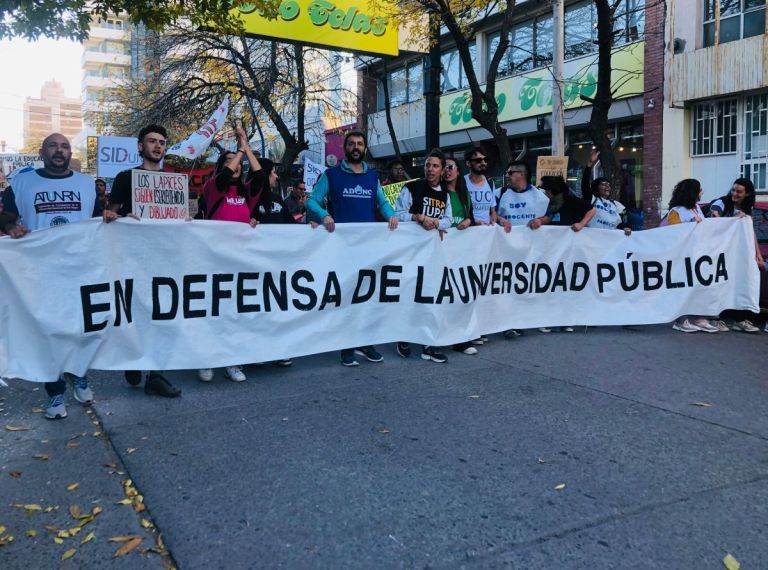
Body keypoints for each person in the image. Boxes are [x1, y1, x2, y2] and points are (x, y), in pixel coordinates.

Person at [0, 133, 98, 419]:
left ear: (70, 153)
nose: (59, 151)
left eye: (65, 146)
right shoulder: (21, 183)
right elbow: (5, 216)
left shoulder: (86, 184)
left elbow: (97, 221)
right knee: (46, 333)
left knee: (80, 328)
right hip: (39, 272)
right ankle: (55, 394)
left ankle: (79, 374)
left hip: (79, 269)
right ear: (41, 152)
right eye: (53, 146)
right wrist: (10, 227)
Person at [306, 129, 399, 367]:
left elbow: (382, 202)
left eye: (360, 144)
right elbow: (311, 200)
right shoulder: (332, 175)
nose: (356, 147)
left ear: (365, 149)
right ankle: (346, 346)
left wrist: (391, 216)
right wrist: (325, 215)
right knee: (345, 296)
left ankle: (365, 342)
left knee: (366, 295)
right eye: (351, 144)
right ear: (345, 149)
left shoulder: (372, 177)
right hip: (341, 248)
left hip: (368, 248)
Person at [104, 124, 183, 397]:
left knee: (163, 312)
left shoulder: (174, 182)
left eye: (162, 142)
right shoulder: (126, 178)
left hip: (164, 258)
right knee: (137, 311)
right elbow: (109, 216)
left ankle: (156, 374)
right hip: (134, 257)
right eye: (152, 141)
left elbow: (180, 217)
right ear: (140, 146)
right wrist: (121, 218)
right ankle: (134, 356)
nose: (158, 146)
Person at [197, 126, 263, 383]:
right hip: (214, 258)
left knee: (233, 312)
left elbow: (259, 177)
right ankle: (207, 358)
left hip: (239, 260)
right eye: (229, 161)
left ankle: (231, 360)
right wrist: (238, 149)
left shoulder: (246, 192)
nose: (235, 164)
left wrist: (245, 146)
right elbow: (225, 176)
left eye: (238, 161)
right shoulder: (214, 187)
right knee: (212, 310)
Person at [394, 148, 452, 363]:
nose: (430, 169)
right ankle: (404, 336)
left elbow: (449, 220)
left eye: (435, 165)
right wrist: (418, 217)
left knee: (430, 296)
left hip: (432, 255)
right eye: (427, 165)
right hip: (409, 252)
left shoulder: (445, 193)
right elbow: (397, 214)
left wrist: (435, 222)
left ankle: (429, 343)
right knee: (409, 295)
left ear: (443, 169)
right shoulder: (412, 188)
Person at [491, 161, 550, 338]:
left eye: (511, 173)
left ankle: (533, 319)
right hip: (506, 249)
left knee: (530, 284)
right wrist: (501, 220)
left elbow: (552, 215)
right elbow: (489, 212)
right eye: (507, 172)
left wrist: (541, 221)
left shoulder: (541, 196)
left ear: (522, 174)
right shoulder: (499, 193)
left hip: (531, 250)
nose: (507, 176)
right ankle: (509, 323)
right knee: (507, 286)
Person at [538, 175, 597, 333]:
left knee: (566, 285)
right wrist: (540, 221)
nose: (543, 193)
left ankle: (566, 320)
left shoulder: (571, 201)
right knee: (550, 284)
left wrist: (581, 224)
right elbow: (550, 218)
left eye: (544, 189)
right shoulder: (551, 204)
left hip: (569, 251)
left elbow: (592, 210)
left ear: (551, 191)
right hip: (552, 249)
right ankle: (548, 319)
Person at [662, 179, 720, 333]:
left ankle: (699, 318)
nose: (702, 192)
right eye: (700, 189)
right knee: (683, 288)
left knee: (699, 287)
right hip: (682, 257)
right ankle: (681, 320)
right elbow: (674, 233)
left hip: (697, 255)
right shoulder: (676, 211)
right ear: (692, 192)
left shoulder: (696, 209)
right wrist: (689, 225)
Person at [707, 177, 764, 333]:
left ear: (747, 194)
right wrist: (732, 220)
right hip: (717, 254)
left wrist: (758, 254)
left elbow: (750, 232)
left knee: (740, 284)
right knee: (719, 284)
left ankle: (740, 319)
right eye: (733, 190)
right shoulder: (721, 202)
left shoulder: (747, 209)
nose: (735, 194)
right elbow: (715, 217)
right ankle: (715, 318)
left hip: (735, 255)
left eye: (739, 191)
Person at [443, 156, 481, 355]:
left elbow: (470, 217)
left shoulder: (463, 195)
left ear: (458, 171)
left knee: (459, 294)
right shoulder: (438, 193)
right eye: (445, 167)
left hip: (459, 254)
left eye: (451, 167)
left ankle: (460, 338)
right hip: (440, 252)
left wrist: (468, 221)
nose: (447, 171)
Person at [581, 150, 631, 235]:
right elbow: (584, 184)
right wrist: (589, 164)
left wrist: (625, 227)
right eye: (603, 184)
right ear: (596, 187)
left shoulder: (615, 204)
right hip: (593, 237)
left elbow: (619, 223)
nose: (607, 186)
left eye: (608, 184)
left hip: (609, 240)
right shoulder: (592, 199)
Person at [464, 147, 495, 225]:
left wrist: (495, 218)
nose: (483, 163)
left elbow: (493, 211)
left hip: (486, 232)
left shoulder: (490, 182)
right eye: (478, 160)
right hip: (467, 231)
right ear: (468, 163)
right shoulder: (462, 182)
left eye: (485, 160)